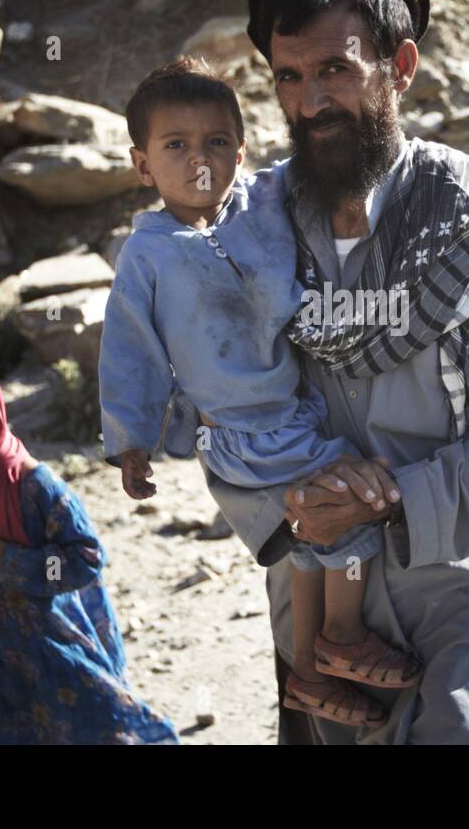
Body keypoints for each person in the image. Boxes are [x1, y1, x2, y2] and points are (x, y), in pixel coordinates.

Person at [190, 0, 469, 743]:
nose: (311, 103)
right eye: (290, 79)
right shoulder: (251, 233)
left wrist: (402, 497)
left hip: (457, 576)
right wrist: (295, 508)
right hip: (313, 602)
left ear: (399, 66)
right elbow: (218, 402)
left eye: (336, 70)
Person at [99, 57, 423, 729]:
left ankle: (305, 673)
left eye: (217, 142)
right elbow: (131, 352)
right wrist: (131, 441)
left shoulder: (260, 202)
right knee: (348, 507)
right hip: (242, 434)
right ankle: (341, 634)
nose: (200, 159)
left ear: (240, 152)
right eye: (176, 145)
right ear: (141, 164)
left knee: (307, 538)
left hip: (295, 411)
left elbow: (317, 170)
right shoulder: (148, 255)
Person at [0, 351, 178, 744]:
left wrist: (11, 562)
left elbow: (86, 561)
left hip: (58, 654)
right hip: (0, 665)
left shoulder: (36, 488)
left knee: (107, 732)